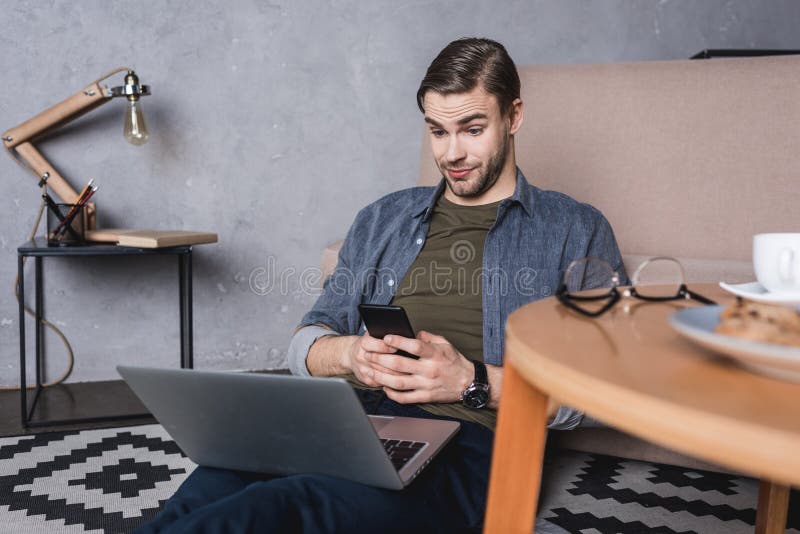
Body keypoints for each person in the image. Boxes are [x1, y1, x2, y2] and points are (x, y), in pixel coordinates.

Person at [137, 37, 626, 534]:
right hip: (345, 419)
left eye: (472, 129)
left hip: (468, 442)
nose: (451, 152)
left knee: (284, 508)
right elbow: (304, 344)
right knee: (210, 486)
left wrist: (472, 382)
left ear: (513, 116)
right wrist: (351, 355)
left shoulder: (574, 228)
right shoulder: (384, 217)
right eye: (437, 131)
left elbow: (617, 390)